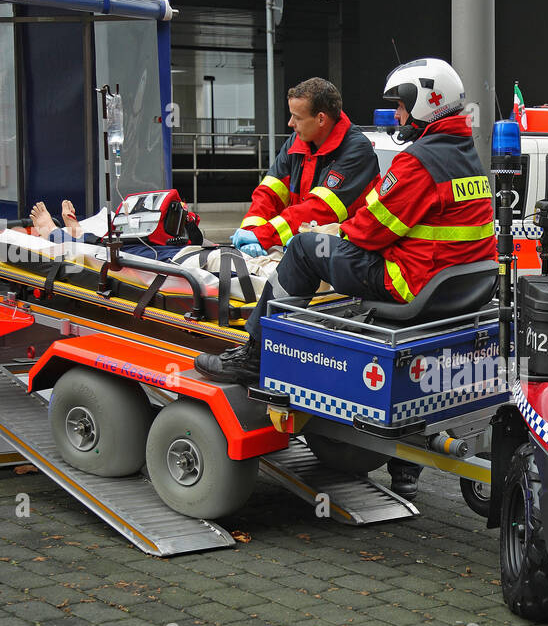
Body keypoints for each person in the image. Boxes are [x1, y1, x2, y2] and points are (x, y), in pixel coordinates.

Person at [195, 58, 495, 500]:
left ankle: (255, 354)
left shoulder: (417, 162)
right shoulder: (467, 156)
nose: (397, 115)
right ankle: (405, 472)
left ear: (425, 104)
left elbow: (367, 232)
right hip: (452, 287)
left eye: (401, 106)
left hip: (407, 281)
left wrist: (319, 237)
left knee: (303, 250)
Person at [231, 77, 379, 256]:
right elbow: (269, 194)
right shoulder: (297, 142)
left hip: (345, 255)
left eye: (297, 117)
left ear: (321, 119)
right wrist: (251, 230)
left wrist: (263, 235)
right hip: (309, 250)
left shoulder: (356, 149)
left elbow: (322, 209)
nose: (290, 123)